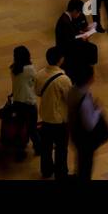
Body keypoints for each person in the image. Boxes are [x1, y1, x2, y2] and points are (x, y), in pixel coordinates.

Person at [66, 63, 108, 181]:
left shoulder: (72, 90)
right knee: (86, 166)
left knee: (80, 160)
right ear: (89, 78)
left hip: (75, 133)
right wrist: (98, 110)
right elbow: (90, 125)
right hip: (84, 139)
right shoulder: (84, 99)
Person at [35, 47, 72, 180]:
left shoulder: (39, 74)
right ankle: (61, 173)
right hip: (59, 120)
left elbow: (37, 92)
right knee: (61, 148)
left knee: (46, 147)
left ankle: (46, 170)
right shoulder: (63, 79)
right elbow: (69, 99)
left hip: (45, 117)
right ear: (60, 60)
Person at [7, 45, 38, 160]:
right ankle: (38, 147)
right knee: (32, 128)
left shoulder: (13, 69)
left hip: (18, 102)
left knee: (20, 127)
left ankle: (19, 151)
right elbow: (36, 82)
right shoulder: (30, 69)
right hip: (29, 103)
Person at [54, 0, 98, 78]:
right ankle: (88, 71)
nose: (79, 15)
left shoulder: (66, 17)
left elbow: (71, 34)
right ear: (74, 11)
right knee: (92, 48)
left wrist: (80, 33)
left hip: (68, 44)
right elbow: (70, 41)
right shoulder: (65, 22)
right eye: (79, 12)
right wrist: (82, 38)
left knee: (89, 46)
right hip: (66, 48)